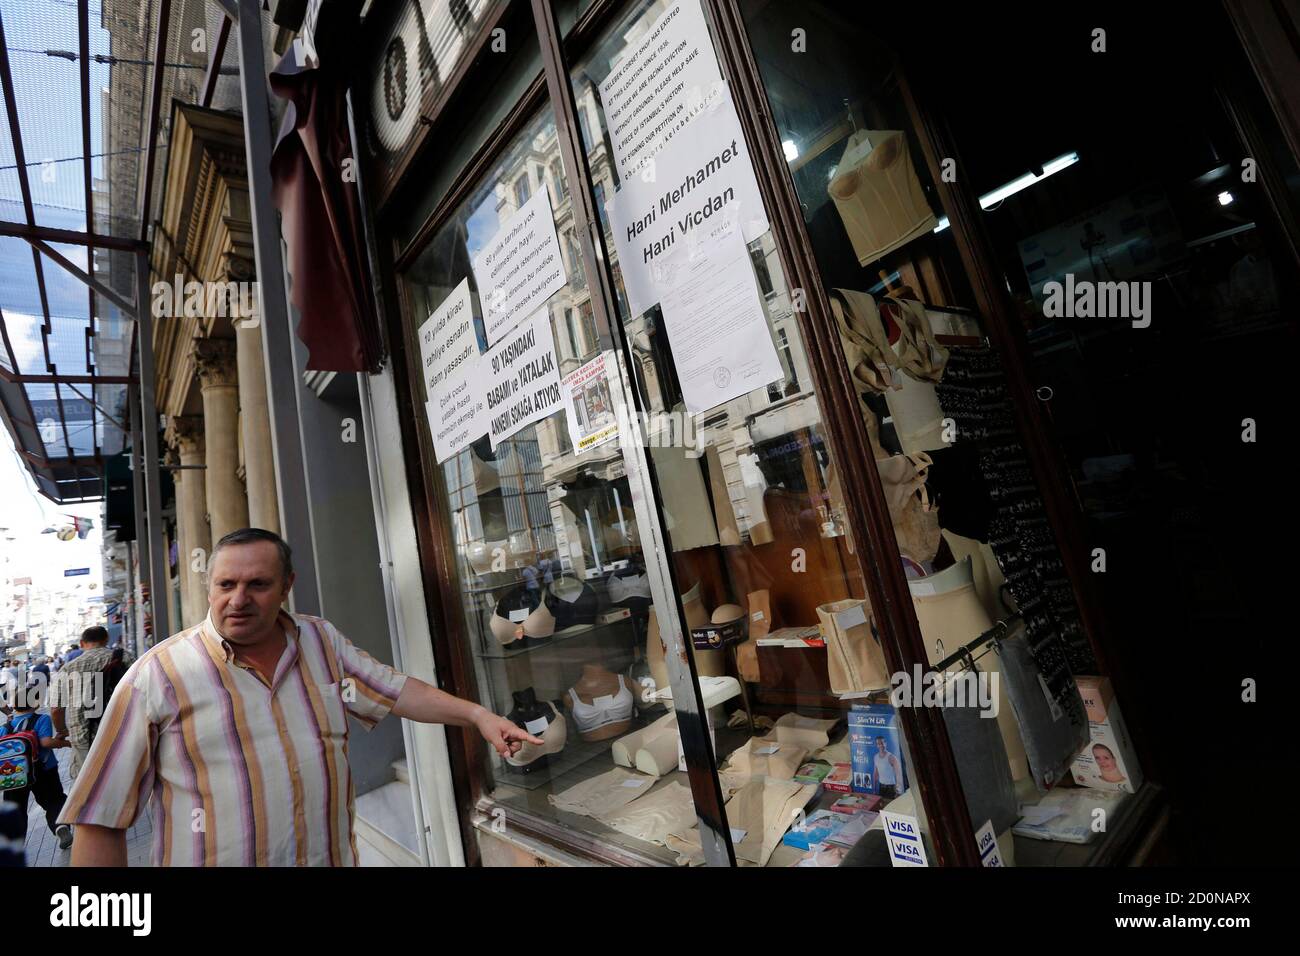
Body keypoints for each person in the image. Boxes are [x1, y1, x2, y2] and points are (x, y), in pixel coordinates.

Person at [59, 527, 543, 866]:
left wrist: (476, 714)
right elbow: (99, 817)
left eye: (258, 584)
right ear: (210, 587)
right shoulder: (157, 676)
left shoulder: (320, 641)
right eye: (225, 585)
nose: (238, 599)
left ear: (287, 587)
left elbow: (393, 691)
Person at [48, 626, 131, 781]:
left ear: (81, 643)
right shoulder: (124, 657)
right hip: (122, 729)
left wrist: (62, 730)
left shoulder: (67, 668)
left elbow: (56, 709)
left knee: (88, 785)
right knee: (123, 781)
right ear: (106, 639)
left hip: (82, 735)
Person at [0, 678, 74, 850]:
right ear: (35, 704)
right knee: (54, 800)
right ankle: (60, 826)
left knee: (16, 809)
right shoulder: (41, 719)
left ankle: (13, 844)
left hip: (15, 773)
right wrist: (65, 743)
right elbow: (46, 742)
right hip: (44, 769)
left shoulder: (6, 726)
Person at [873, 735, 904, 800]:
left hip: (891, 788)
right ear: (877, 745)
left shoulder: (891, 757)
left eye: (883, 743)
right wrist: (874, 789)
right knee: (882, 807)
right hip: (881, 787)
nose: (881, 745)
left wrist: (898, 790)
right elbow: (875, 773)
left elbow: (899, 774)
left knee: (891, 807)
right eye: (879, 744)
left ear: (885, 743)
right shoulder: (875, 757)